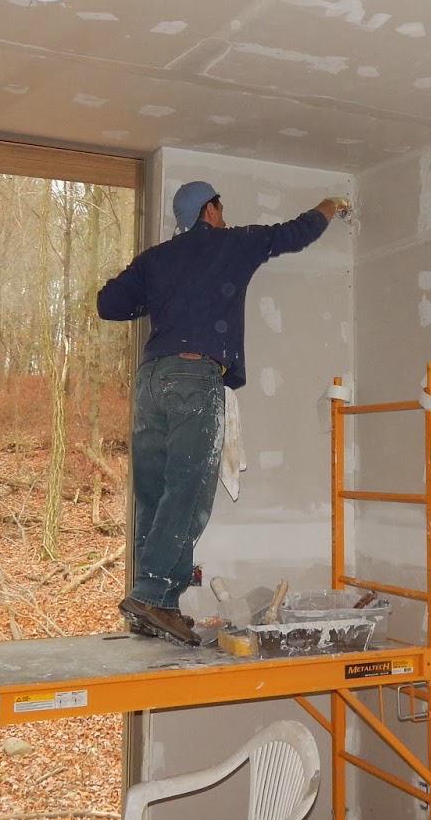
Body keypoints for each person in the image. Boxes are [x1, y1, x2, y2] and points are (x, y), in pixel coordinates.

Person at [96, 180, 349, 645]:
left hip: (151, 383)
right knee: (189, 493)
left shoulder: (155, 258)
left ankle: (154, 606)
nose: (225, 216)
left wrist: (156, 294)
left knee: (154, 495)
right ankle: (152, 594)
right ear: (208, 211)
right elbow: (296, 232)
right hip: (195, 379)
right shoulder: (232, 244)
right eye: (221, 207)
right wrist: (330, 205)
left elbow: (109, 305)